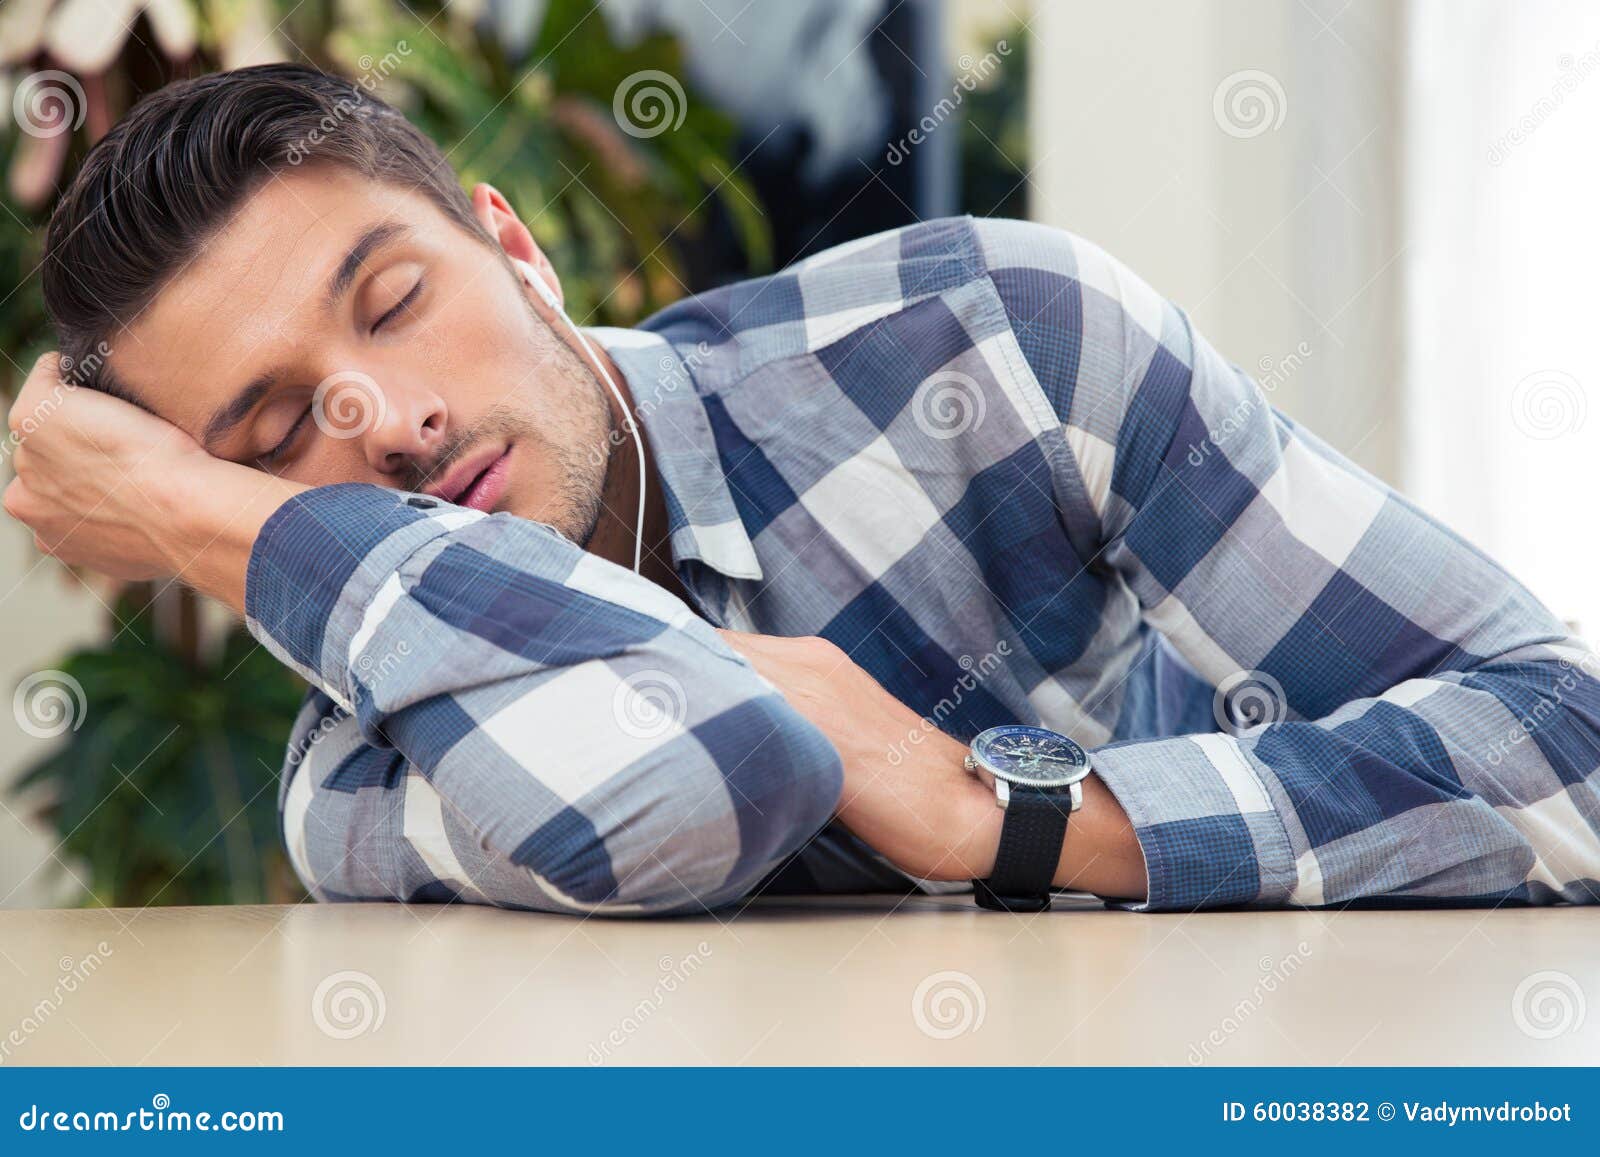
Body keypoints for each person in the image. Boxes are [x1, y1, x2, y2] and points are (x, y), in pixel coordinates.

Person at [8, 64, 1598, 916]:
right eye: (280, 433)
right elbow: (708, 777)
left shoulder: (993, 346)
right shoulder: (356, 764)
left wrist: (1018, 822)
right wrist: (233, 532)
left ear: (516, 245)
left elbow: (1572, 748)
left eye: (396, 297)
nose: (397, 425)